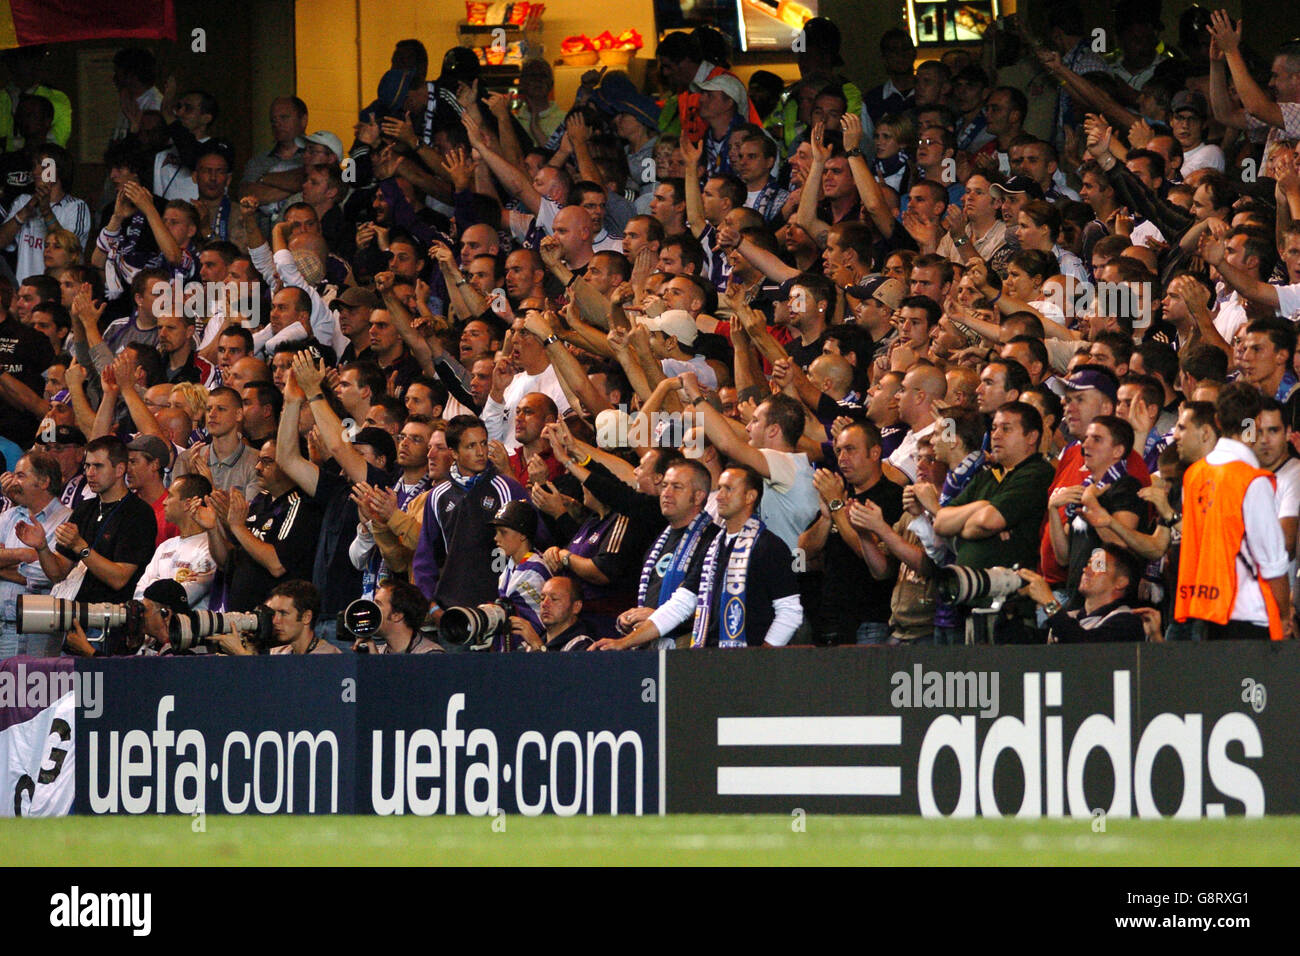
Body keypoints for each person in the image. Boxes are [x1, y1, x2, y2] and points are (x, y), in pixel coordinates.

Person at [594, 466, 801, 649]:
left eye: (728, 489)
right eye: (719, 488)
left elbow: (790, 611)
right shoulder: (713, 546)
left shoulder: (769, 546)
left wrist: (765, 655)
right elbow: (681, 605)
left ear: (750, 497)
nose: (719, 496)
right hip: (712, 658)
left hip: (749, 661)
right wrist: (623, 642)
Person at [1175, 383, 1293, 640]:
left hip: (1205, 610)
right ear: (1257, 422)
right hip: (1251, 615)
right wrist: (1284, 614)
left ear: (1217, 420)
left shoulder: (1193, 475)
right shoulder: (1251, 481)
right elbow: (1272, 562)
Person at [933, 402, 1054, 642]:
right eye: (995, 427)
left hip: (1010, 614)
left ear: (1031, 437)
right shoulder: (989, 476)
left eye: (1006, 429)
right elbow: (941, 522)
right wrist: (981, 507)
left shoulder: (1036, 473)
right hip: (970, 606)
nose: (996, 435)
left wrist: (967, 526)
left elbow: (988, 522)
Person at [412, 415, 529, 616]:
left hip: (501, 608)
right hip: (452, 610)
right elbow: (425, 557)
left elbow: (536, 541)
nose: (481, 452)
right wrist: (432, 607)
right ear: (454, 453)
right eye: (471, 446)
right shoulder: (437, 497)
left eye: (483, 443)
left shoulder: (508, 489)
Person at [801, 421, 904, 645]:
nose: (842, 458)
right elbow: (801, 552)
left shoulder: (894, 497)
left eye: (850, 449)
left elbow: (870, 554)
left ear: (875, 452)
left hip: (870, 622)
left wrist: (837, 507)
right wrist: (827, 518)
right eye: (839, 451)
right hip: (828, 619)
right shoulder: (839, 494)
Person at [0, 451, 70, 657]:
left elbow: (47, 576)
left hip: (36, 633)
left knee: (32, 688)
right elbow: (36, 568)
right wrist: (24, 554)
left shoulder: (65, 521)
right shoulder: (10, 515)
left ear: (44, 481)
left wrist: (4, 563)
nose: (13, 481)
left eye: (21, 475)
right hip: (3, 627)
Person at [1018, 544, 1146, 642]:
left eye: (1098, 566)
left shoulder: (1127, 623)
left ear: (1121, 582)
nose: (1086, 570)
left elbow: (1084, 647)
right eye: (1088, 564)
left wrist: (1049, 603)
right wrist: (1009, 612)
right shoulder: (1072, 618)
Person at [132, 473, 217, 610]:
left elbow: (183, 598)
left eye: (170, 496)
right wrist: (175, 584)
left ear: (187, 504)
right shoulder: (165, 546)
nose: (164, 502)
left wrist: (155, 582)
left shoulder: (210, 547)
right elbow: (138, 593)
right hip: (152, 626)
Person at [356, 580, 440, 654]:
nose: (371, 610)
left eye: (378, 604)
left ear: (397, 615)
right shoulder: (376, 651)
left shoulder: (430, 656)